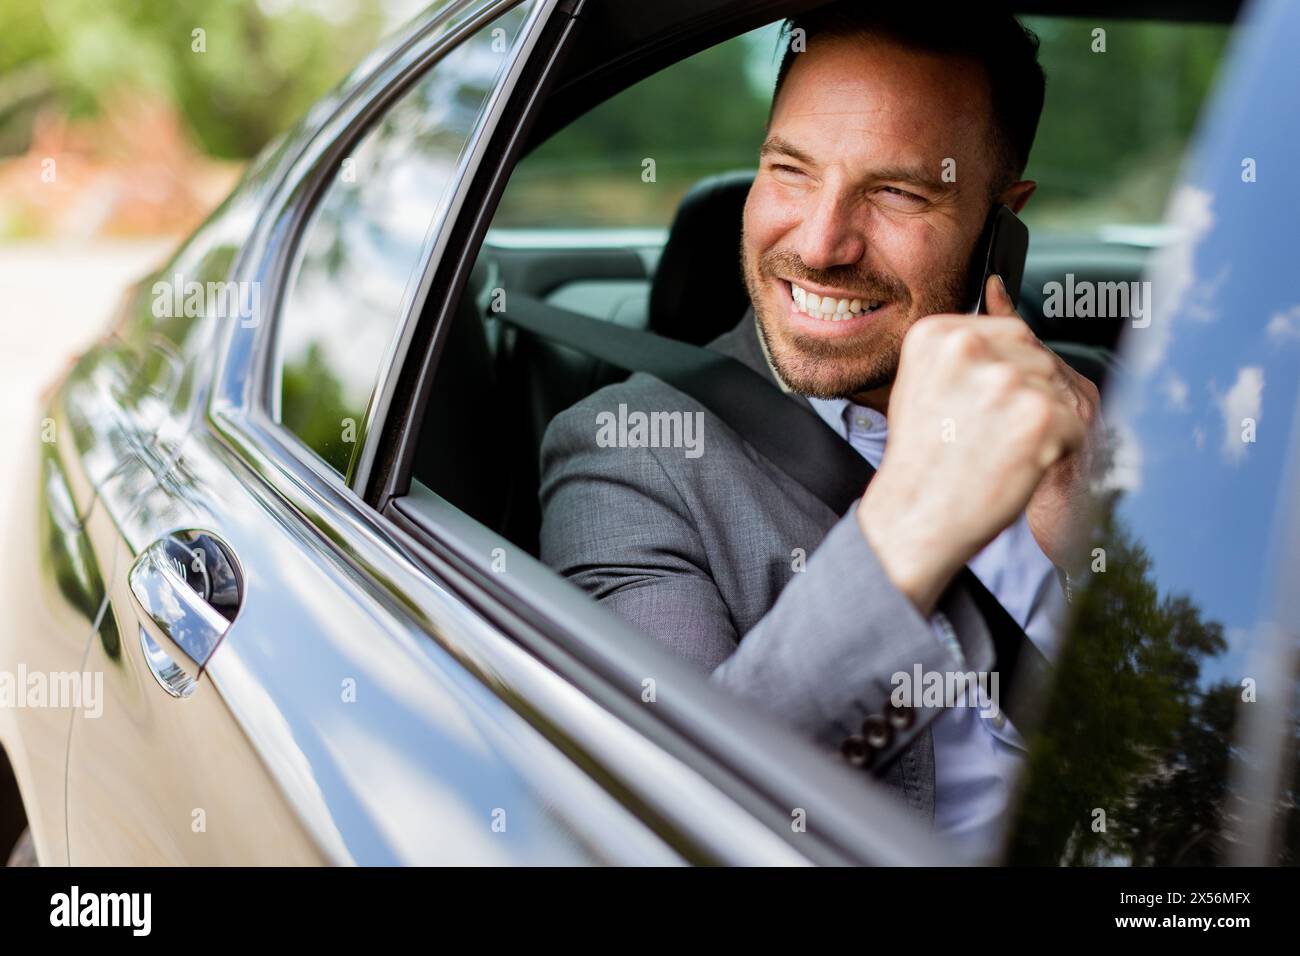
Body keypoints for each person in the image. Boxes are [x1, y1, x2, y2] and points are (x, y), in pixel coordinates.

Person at [539, 4, 1099, 852]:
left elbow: (1244, 752)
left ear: (1000, 222)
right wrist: (912, 524)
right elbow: (672, 809)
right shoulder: (629, 456)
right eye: (791, 171)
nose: (822, 241)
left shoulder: (1104, 417)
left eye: (898, 191)